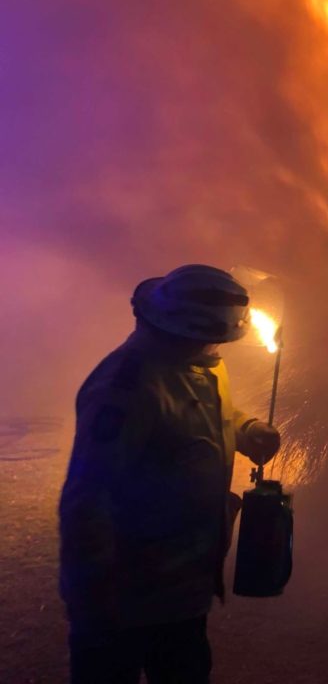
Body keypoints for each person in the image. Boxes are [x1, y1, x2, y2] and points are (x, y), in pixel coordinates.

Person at [59, 264, 281, 684]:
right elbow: (87, 499)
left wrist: (246, 429)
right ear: (179, 330)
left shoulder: (200, 363)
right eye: (211, 336)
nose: (219, 344)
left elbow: (202, 415)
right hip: (124, 596)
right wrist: (93, 599)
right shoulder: (125, 388)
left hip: (183, 590)